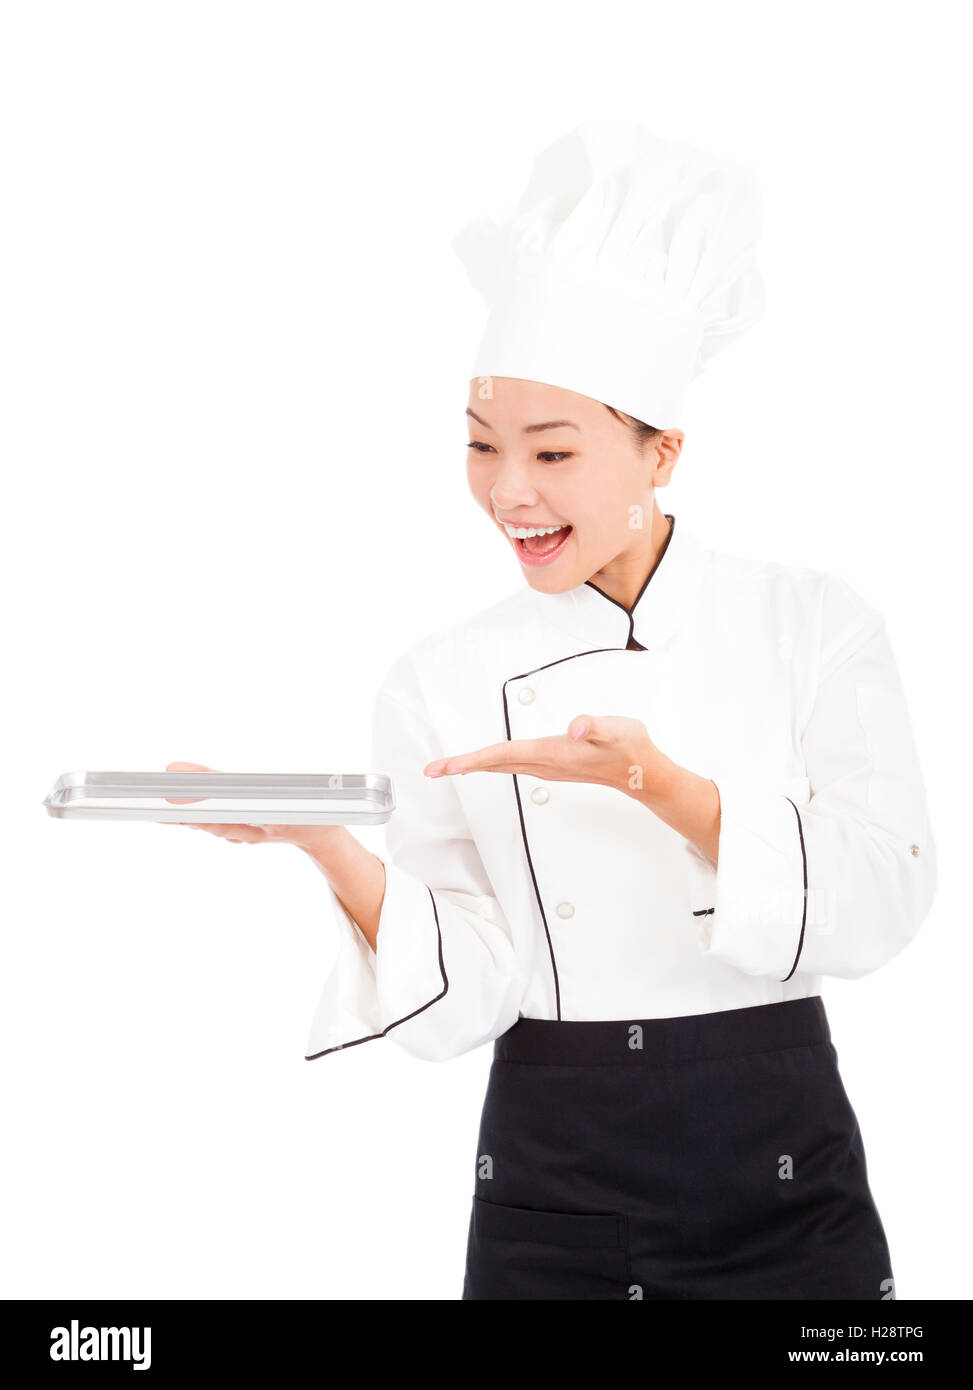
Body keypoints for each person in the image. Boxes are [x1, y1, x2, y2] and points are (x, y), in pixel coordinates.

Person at [168, 122, 937, 1300]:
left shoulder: (814, 624)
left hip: (785, 1178)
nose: (506, 491)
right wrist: (324, 846)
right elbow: (469, 991)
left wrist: (666, 792)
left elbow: (886, 898)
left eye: (552, 451)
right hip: (552, 1172)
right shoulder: (440, 677)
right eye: (480, 446)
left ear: (661, 451)